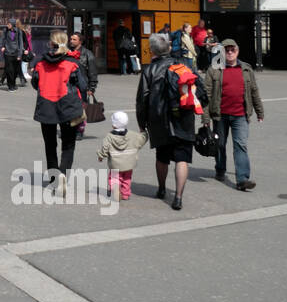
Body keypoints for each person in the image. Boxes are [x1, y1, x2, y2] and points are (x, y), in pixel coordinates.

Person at [136, 32, 208, 211]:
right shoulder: (184, 65)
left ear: (152, 50)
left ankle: (161, 189)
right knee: (182, 158)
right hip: (184, 118)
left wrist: (142, 122)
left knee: (162, 157)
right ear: (169, 47)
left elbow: (142, 99)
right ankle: (178, 197)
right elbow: (202, 90)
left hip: (160, 120)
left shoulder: (149, 70)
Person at [31, 29, 88, 197]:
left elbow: (35, 82)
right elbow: (82, 85)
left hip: (46, 105)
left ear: (51, 43)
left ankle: (54, 178)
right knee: (68, 145)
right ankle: (63, 173)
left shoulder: (41, 63)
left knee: (50, 145)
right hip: (68, 105)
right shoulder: (72, 63)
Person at [204, 39, 264, 191]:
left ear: (237, 51)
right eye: (227, 50)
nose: (230, 52)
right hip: (220, 115)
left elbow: (254, 91)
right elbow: (206, 95)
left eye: (233, 49)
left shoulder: (246, 69)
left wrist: (259, 111)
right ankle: (220, 169)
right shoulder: (214, 69)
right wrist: (205, 118)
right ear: (222, 52)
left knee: (241, 145)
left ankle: (242, 179)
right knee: (220, 145)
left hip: (240, 115)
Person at [96, 110, 146, 202]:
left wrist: (101, 156)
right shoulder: (132, 135)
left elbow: (105, 148)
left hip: (115, 164)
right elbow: (142, 140)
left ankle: (115, 191)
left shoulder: (109, 136)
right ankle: (125, 194)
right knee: (127, 178)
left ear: (113, 124)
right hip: (129, 164)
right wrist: (144, 132)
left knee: (115, 178)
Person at [68, 31, 99, 139]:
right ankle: (71, 129)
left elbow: (93, 72)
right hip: (69, 86)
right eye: (71, 39)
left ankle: (79, 131)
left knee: (81, 109)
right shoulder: (67, 52)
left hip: (82, 87)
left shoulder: (87, 54)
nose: (71, 41)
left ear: (80, 41)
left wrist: (92, 88)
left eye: (74, 39)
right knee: (70, 108)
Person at [0, 19, 23, 91]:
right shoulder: (5, 30)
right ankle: (10, 86)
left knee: (15, 71)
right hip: (7, 53)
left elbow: (21, 43)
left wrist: (20, 54)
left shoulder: (18, 31)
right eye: (7, 24)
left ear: (12, 24)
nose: (7, 25)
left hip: (16, 53)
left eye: (9, 24)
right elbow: (1, 40)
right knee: (9, 70)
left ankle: (13, 84)